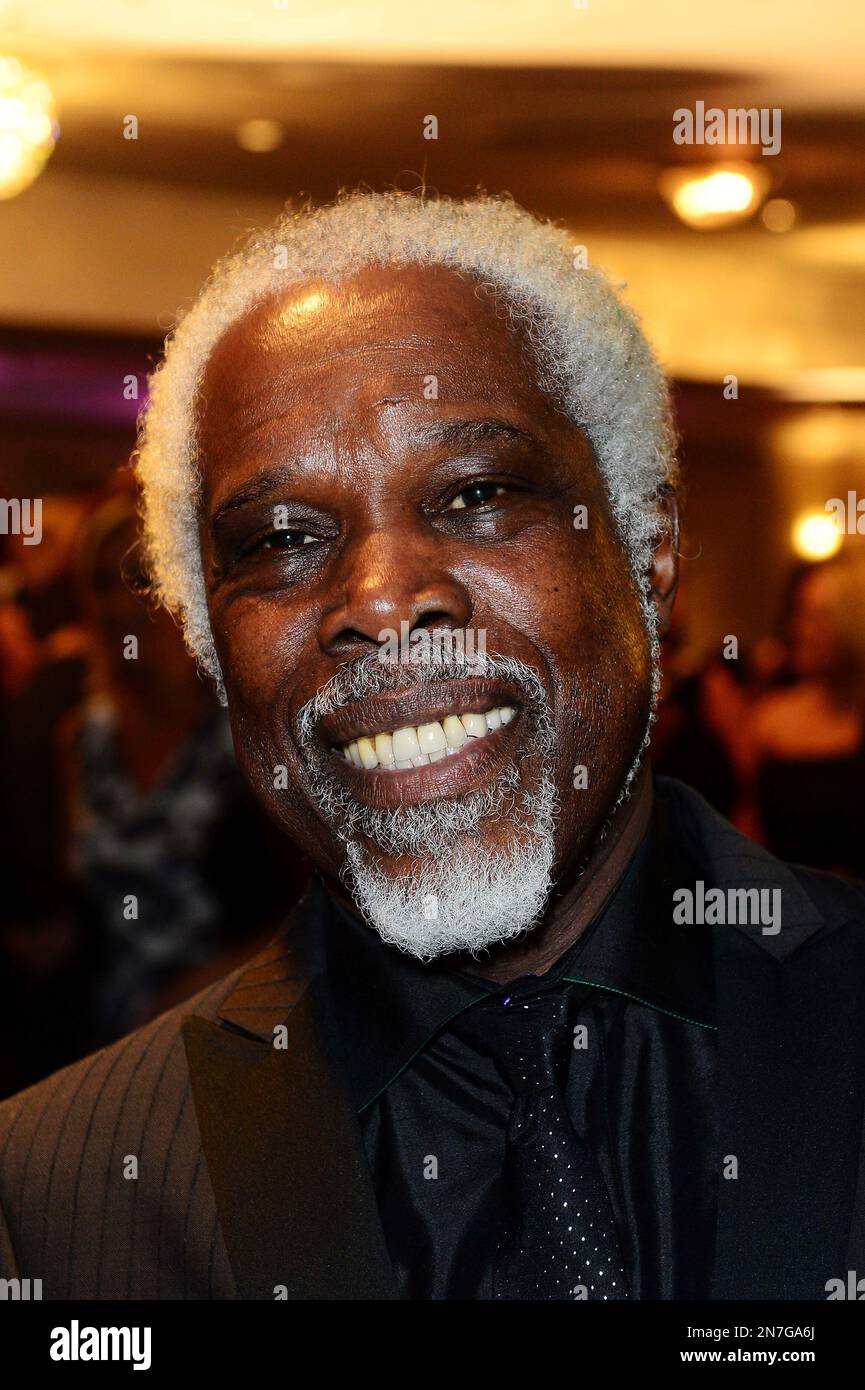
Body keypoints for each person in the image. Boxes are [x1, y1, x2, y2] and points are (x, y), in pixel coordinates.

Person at [1, 191, 863, 1301]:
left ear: (651, 552)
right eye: (281, 539)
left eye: (476, 493)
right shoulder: (61, 1195)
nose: (380, 598)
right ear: (213, 644)